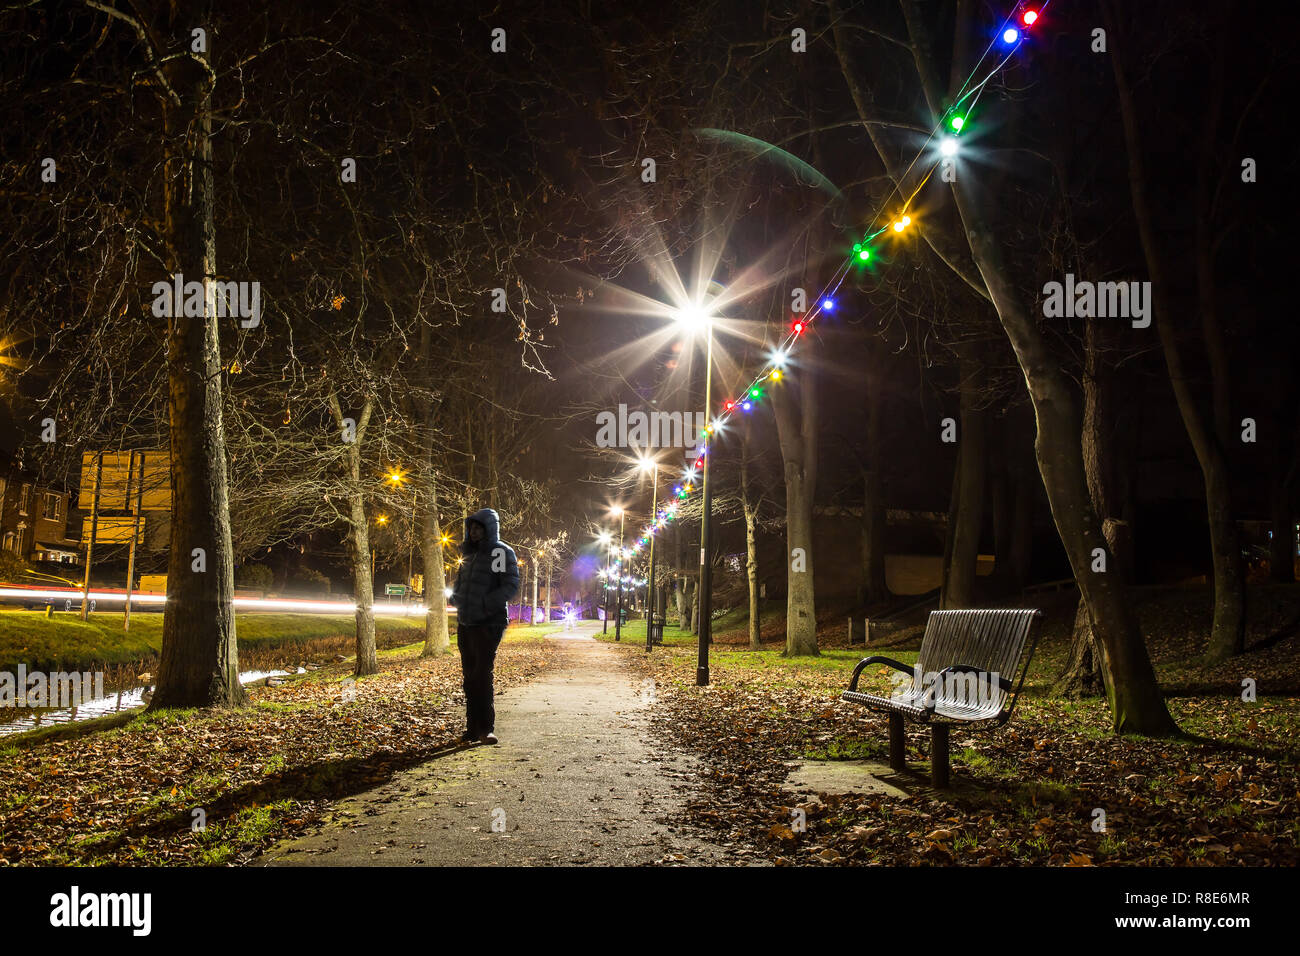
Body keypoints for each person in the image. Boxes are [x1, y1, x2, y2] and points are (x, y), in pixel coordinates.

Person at [448, 508, 519, 745]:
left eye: (479, 527)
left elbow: (508, 585)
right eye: (471, 528)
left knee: (481, 674)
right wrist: (456, 597)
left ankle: (486, 728)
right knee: (469, 677)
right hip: (466, 622)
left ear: (490, 528)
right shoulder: (469, 554)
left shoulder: (499, 552)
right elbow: (460, 583)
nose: (474, 532)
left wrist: (485, 603)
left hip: (489, 623)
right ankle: (472, 728)